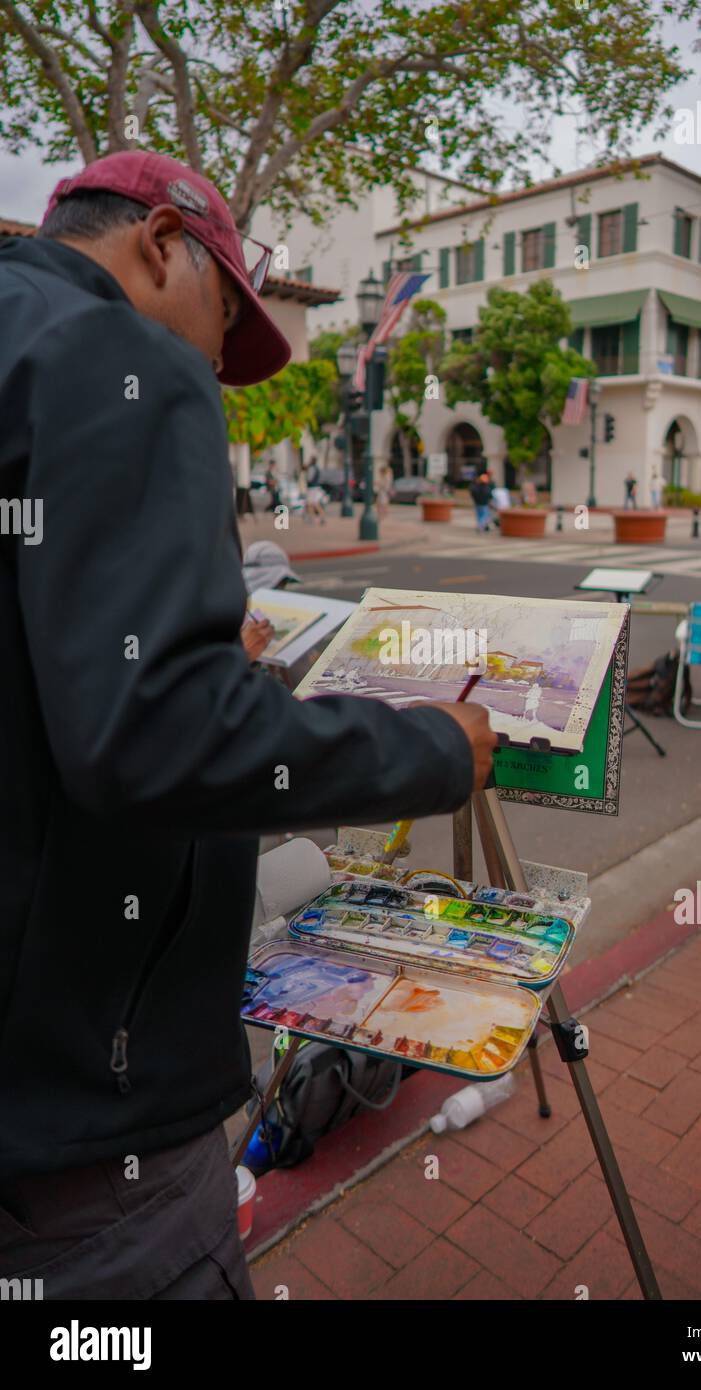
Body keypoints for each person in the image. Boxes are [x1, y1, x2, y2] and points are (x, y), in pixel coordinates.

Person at [0, 149, 496, 1300]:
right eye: (224, 318)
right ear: (160, 242)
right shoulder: (121, 356)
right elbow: (154, 738)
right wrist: (430, 750)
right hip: (81, 1134)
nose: (218, 362)